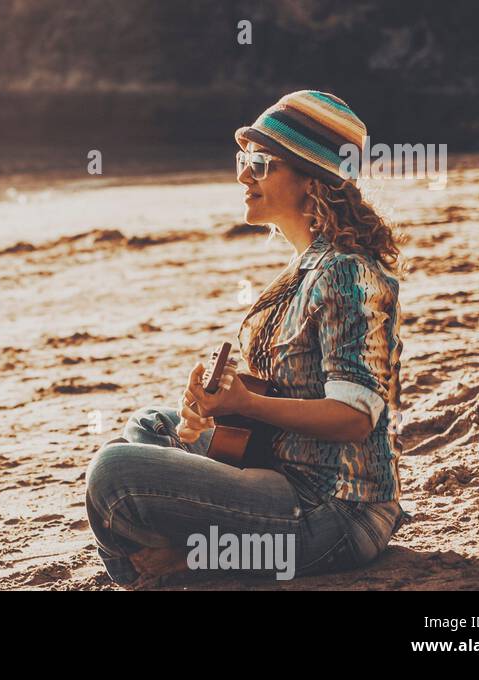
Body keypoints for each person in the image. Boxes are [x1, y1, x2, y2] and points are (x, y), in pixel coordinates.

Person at [85, 90, 412, 588]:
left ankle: (193, 563)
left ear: (311, 179)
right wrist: (223, 407)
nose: (243, 176)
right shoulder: (305, 269)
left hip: (335, 509)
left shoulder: (346, 274)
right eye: (244, 161)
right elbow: (288, 393)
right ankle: (196, 556)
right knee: (153, 426)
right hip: (284, 472)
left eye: (261, 164)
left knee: (113, 475)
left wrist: (249, 406)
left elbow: (353, 416)